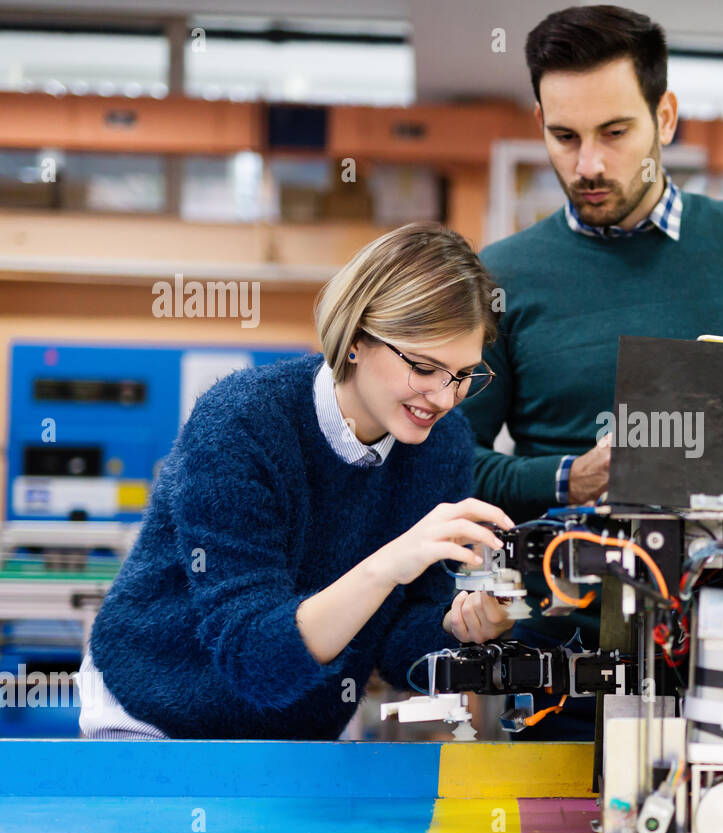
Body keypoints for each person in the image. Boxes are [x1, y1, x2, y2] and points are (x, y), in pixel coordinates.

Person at [458, 4, 723, 740]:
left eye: (615, 133)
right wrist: (566, 480)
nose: (588, 164)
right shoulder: (502, 277)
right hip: (566, 658)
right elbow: (447, 466)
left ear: (666, 117)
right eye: (565, 136)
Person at [79, 223, 515, 740]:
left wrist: (458, 629)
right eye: (424, 367)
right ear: (355, 339)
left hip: (299, 733)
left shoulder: (444, 445)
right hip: (158, 716)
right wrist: (385, 566)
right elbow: (252, 658)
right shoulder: (241, 422)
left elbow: (397, 650)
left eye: (464, 375)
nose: (443, 398)